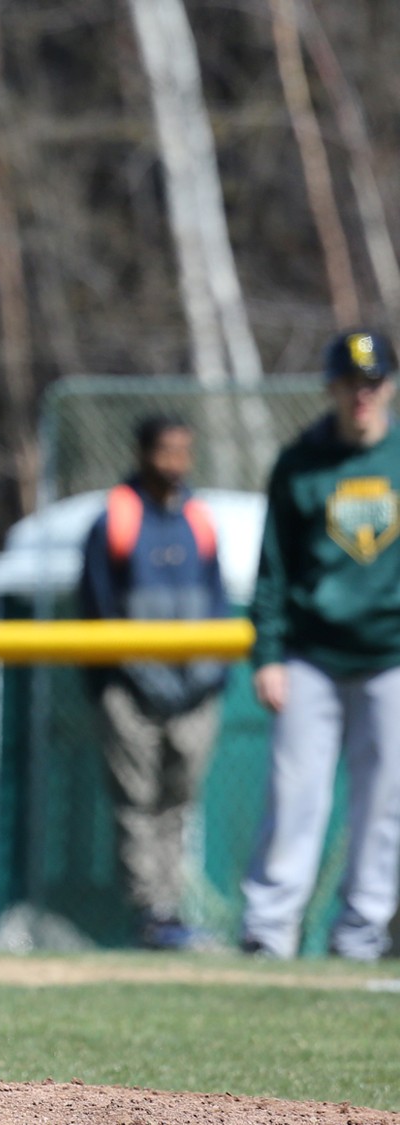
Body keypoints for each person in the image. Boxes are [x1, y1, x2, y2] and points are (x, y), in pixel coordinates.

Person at [240, 329, 400, 962]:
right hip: (311, 654)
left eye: (372, 382)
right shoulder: (300, 461)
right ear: (331, 387)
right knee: (295, 795)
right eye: (349, 383)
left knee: (385, 803)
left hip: (391, 654)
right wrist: (269, 655)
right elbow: (272, 569)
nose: (360, 395)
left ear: (387, 384)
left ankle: (361, 934)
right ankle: (269, 931)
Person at [76, 416, 227, 950]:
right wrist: (146, 676)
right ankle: (152, 912)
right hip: (132, 689)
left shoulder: (200, 519)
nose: (175, 462)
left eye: (183, 451)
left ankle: (172, 907)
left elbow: (218, 604)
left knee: (178, 802)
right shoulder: (115, 519)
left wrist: (205, 675)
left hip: (194, 690)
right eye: (165, 451)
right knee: (137, 802)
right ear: (143, 453)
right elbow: (99, 612)